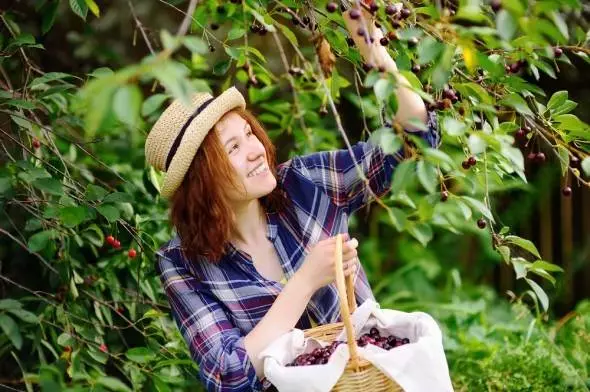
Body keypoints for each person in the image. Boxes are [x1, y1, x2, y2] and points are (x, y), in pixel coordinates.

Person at [144, 8, 440, 392]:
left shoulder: (304, 184)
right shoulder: (183, 263)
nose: (255, 150)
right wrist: (305, 281)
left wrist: (374, 51)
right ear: (202, 180)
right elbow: (228, 375)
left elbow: (412, 140)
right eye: (233, 147)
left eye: (249, 134)